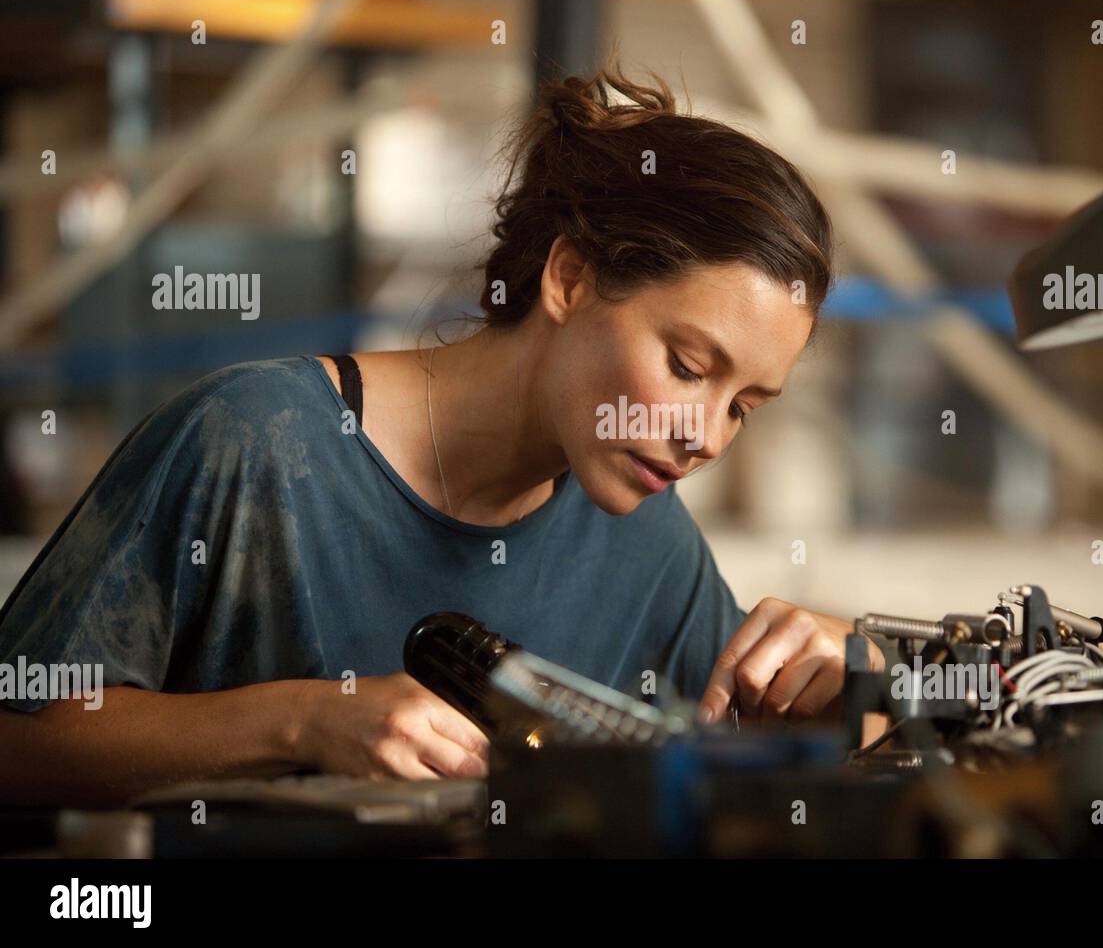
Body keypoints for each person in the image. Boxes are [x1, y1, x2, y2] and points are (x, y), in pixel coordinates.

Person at [0, 63, 882, 807]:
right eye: (688, 368)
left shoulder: (646, 541)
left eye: (743, 407)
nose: (704, 438)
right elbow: (18, 735)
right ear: (570, 277)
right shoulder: (256, 441)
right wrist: (301, 721)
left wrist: (854, 690)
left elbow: (744, 756)